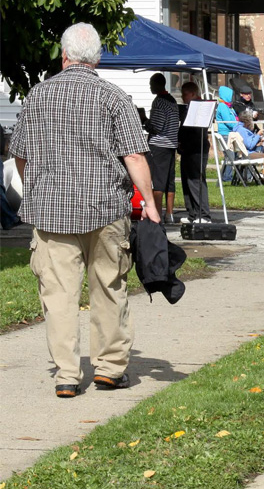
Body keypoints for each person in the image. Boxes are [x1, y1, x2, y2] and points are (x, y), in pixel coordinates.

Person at [9, 23, 160, 398]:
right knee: (108, 288)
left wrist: (36, 189)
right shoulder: (114, 97)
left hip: (51, 213)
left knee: (58, 295)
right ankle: (109, 369)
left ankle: (66, 375)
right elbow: (134, 156)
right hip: (106, 208)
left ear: (64, 55)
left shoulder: (38, 96)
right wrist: (152, 204)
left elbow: (20, 154)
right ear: (97, 57)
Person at [146, 73, 179, 219]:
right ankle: (169, 214)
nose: (150, 86)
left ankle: (157, 214)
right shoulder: (172, 100)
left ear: (158, 84)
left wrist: (145, 121)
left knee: (158, 181)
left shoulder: (159, 101)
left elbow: (157, 126)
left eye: (151, 84)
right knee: (169, 181)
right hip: (171, 144)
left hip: (158, 145)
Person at [178, 82, 211, 224]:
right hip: (187, 148)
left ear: (192, 94)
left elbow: (197, 130)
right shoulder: (189, 107)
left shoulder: (200, 107)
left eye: (185, 94)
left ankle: (203, 214)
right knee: (187, 181)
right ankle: (192, 213)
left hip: (196, 148)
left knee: (196, 182)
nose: (182, 97)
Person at [215, 86, 238, 183]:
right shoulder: (223, 106)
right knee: (230, 155)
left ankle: (225, 175)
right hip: (225, 134)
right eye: (230, 95)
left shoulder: (228, 106)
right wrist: (238, 124)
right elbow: (228, 121)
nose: (232, 97)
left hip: (230, 133)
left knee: (231, 155)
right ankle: (227, 177)